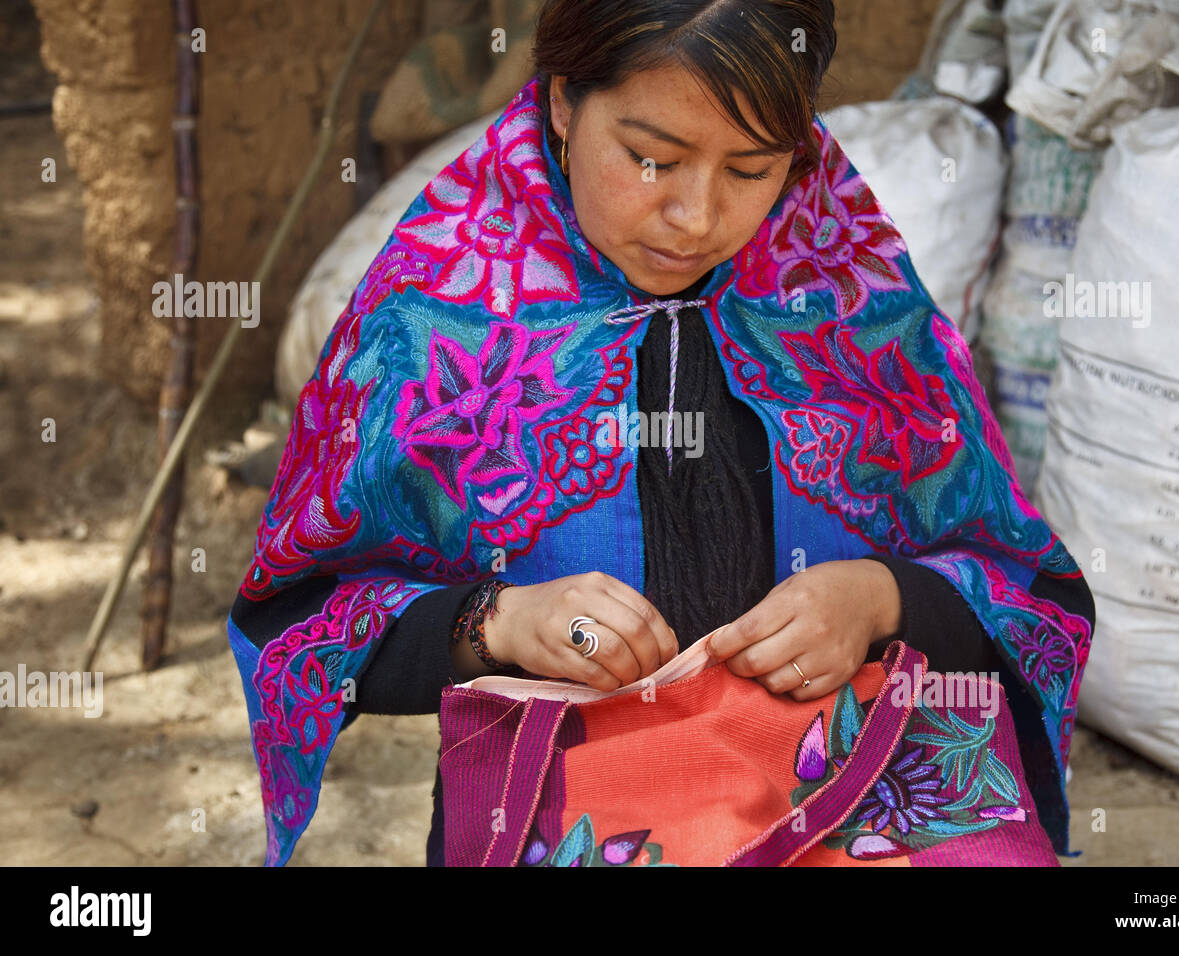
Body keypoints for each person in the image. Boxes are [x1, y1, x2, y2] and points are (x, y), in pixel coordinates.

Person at [226, 0, 1095, 867]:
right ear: (564, 102)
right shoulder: (440, 324)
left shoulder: (853, 308)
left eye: (752, 169)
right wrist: (498, 621)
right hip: (567, 794)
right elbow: (300, 622)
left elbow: (1028, 597)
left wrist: (878, 600)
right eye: (652, 159)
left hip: (857, 769)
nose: (697, 216)